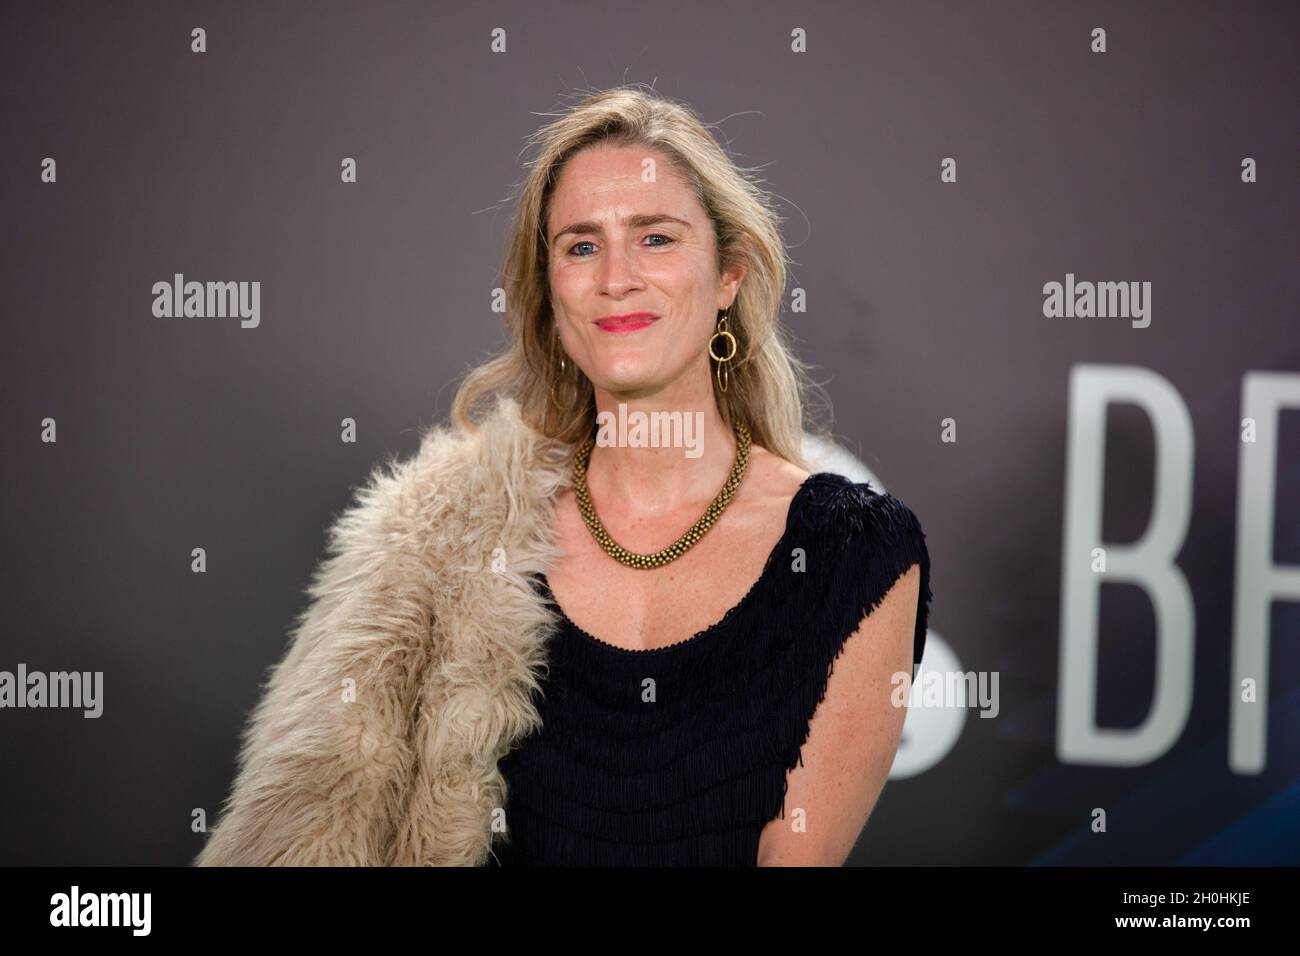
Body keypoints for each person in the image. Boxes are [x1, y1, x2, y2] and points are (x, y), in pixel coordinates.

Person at [194, 85, 932, 868]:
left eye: (655, 238)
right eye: (581, 246)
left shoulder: (856, 551)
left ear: (729, 275)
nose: (616, 276)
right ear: (549, 297)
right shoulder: (437, 539)